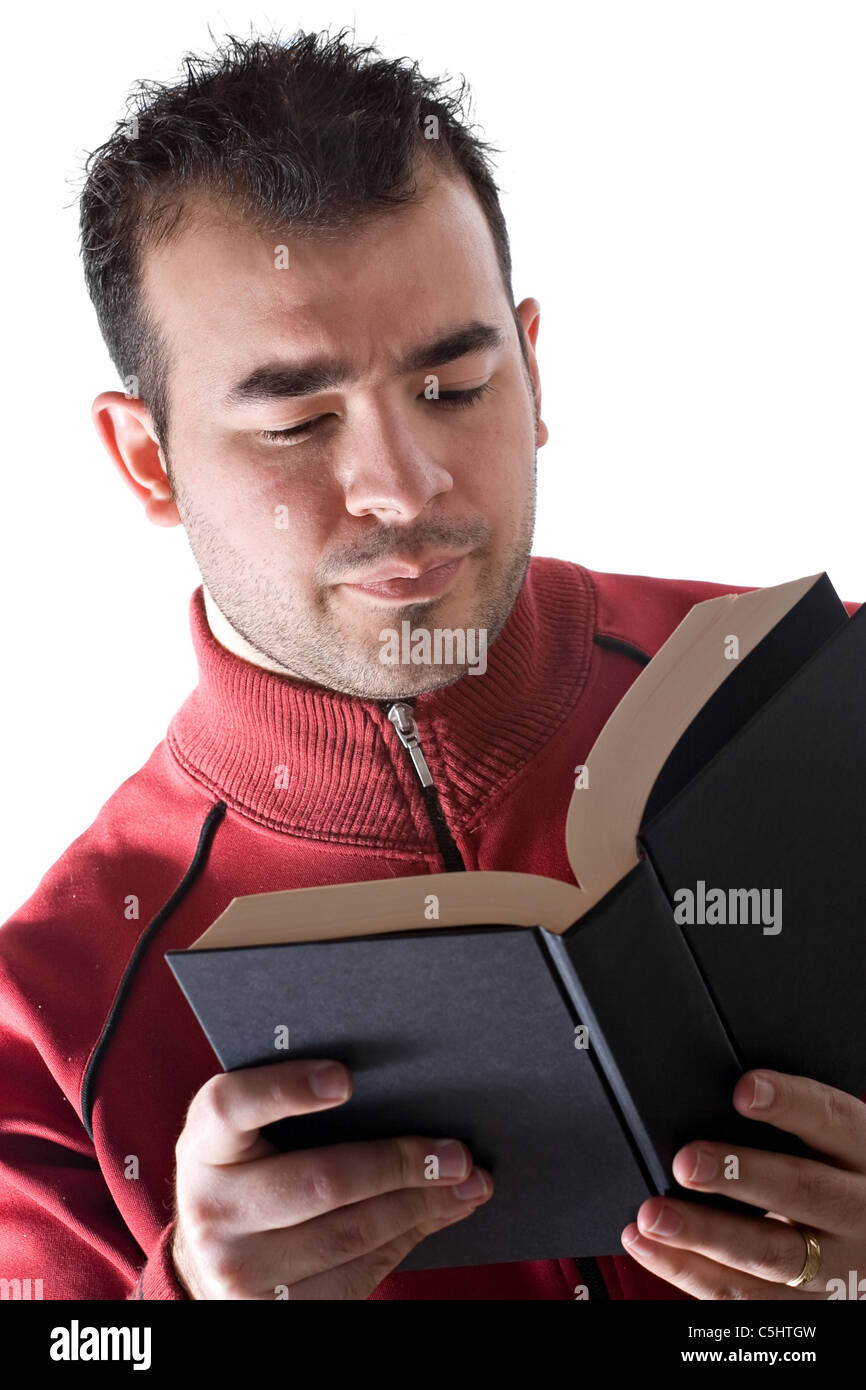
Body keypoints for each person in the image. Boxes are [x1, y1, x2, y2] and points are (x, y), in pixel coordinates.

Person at [1, 27, 863, 1303]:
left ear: (532, 367)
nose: (402, 489)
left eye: (455, 386)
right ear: (147, 460)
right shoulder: (47, 1017)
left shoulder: (821, 694)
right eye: (297, 422)